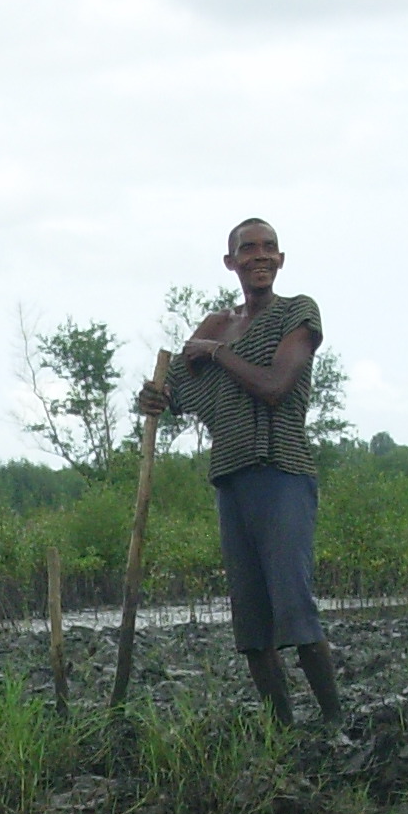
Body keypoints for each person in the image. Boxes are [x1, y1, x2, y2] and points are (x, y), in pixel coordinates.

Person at [139, 219, 342, 729]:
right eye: (247, 249)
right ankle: (283, 731)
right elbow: (182, 392)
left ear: (280, 259)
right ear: (230, 262)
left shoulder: (297, 312)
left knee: (292, 601)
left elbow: (275, 385)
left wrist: (217, 353)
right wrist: (155, 397)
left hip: (282, 471)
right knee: (250, 619)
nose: (259, 256)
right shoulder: (215, 325)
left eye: (269, 248)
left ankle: (336, 723)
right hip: (231, 477)